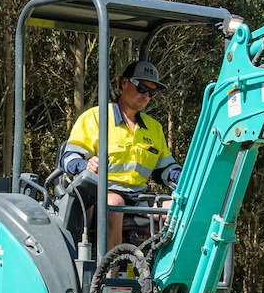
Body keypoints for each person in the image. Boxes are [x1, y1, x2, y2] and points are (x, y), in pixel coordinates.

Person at [60, 59, 182, 250]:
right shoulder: (95, 118)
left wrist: (185, 178)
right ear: (125, 83)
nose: (146, 95)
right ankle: (111, 272)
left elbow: (165, 169)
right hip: (103, 192)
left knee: (178, 209)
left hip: (139, 197)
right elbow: (68, 158)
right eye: (142, 88)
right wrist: (85, 166)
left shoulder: (154, 128)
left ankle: (160, 273)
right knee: (114, 203)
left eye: (152, 92)